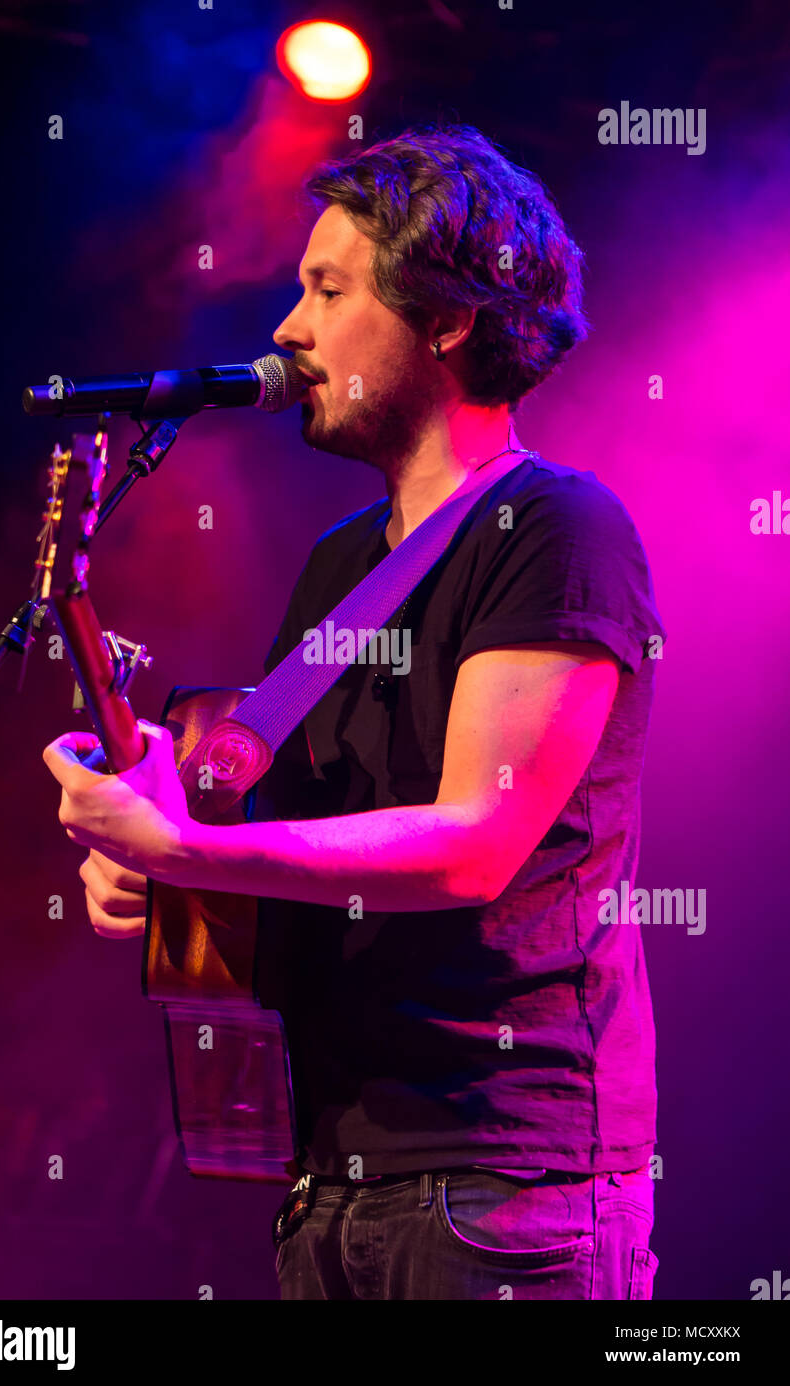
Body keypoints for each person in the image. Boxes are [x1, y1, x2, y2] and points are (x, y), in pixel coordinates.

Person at [43, 123, 665, 1301]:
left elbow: (473, 843)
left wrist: (192, 847)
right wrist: (156, 861)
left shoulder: (557, 528)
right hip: (328, 1180)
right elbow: (285, 852)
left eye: (328, 290)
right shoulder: (336, 566)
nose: (287, 329)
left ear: (443, 319)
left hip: (501, 1185)